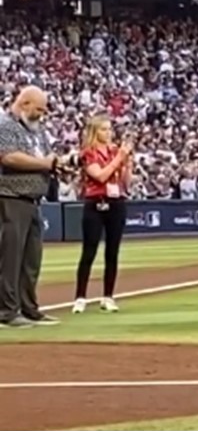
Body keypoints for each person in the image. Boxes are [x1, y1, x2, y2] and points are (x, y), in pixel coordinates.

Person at [0, 86, 60, 328]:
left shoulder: (37, 130)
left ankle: (29, 308)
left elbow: (46, 157)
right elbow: (7, 157)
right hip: (11, 196)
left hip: (33, 199)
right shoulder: (6, 125)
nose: (41, 114)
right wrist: (44, 163)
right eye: (38, 109)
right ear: (24, 103)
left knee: (31, 260)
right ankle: (6, 312)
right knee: (10, 258)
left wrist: (56, 164)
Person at [73, 115, 133, 314]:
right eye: (104, 129)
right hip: (95, 202)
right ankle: (80, 296)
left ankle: (108, 296)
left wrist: (128, 162)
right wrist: (119, 159)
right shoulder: (88, 153)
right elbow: (100, 175)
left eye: (109, 129)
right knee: (89, 251)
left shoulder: (116, 151)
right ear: (95, 132)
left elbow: (125, 183)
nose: (108, 133)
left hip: (116, 202)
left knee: (112, 252)